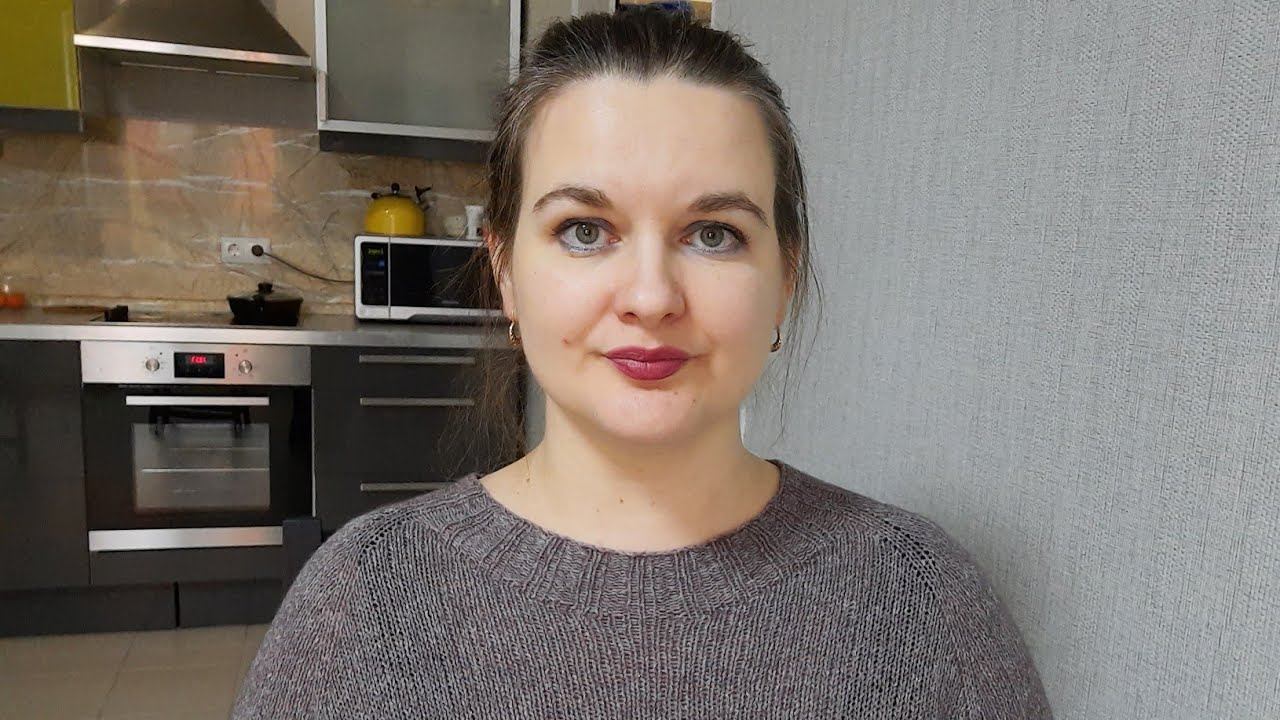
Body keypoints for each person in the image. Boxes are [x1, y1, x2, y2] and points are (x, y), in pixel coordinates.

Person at [233, 8, 1052, 718]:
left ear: (784, 278)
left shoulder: (922, 602)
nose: (652, 297)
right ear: (506, 270)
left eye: (714, 234)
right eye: (585, 230)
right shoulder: (367, 602)